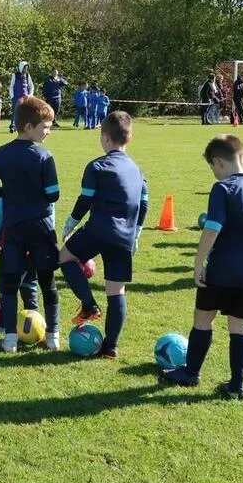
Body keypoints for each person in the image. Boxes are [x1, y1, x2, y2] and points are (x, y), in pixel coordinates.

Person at [160, 134, 243, 401]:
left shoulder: (223, 188)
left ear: (218, 162)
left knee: (203, 319)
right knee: (240, 327)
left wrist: (198, 262)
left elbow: (212, 229)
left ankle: (191, 373)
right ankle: (237, 386)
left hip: (221, 270)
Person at [59, 111, 148, 359]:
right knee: (116, 291)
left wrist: (71, 223)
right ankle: (110, 347)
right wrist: (137, 233)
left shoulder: (97, 165)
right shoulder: (137, 169)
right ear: (128, 138)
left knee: (65, 258)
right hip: (125, 236)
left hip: (98, 229)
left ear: (105, 137)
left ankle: (88, 305)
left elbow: (85, 199)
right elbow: (144, 202)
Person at [0, 95, 60, 353]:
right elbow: (53, 195)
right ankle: (53, 336)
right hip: (40, 227)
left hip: (13, 228)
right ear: (28, 126)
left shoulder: (2, 153)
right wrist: (32, 194)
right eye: (45, 126)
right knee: (47, 282)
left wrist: (11, 193)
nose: (48, 131)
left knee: (10, 283)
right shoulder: (45, 156)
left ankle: (10, 338)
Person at [0, 198, 40, 333]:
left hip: (12, 248)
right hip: (34, 248)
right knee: (30, 285)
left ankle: (4, 323)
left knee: (6, 288)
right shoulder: (40, 189)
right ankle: (34, 323)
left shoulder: (8, 192)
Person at [8, 61, 34, 133]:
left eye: (27, 68)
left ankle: (24, 126)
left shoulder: (28, 76)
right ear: (21, 67)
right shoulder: (15, 75)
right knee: (14, 112)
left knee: (25, 113)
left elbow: (31, 86)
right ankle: (12, 126)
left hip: (25, 98)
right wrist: (12, 96)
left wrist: (30, 95)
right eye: (25, 67)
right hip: (16, 97)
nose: (26, 69)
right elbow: (11, 87)